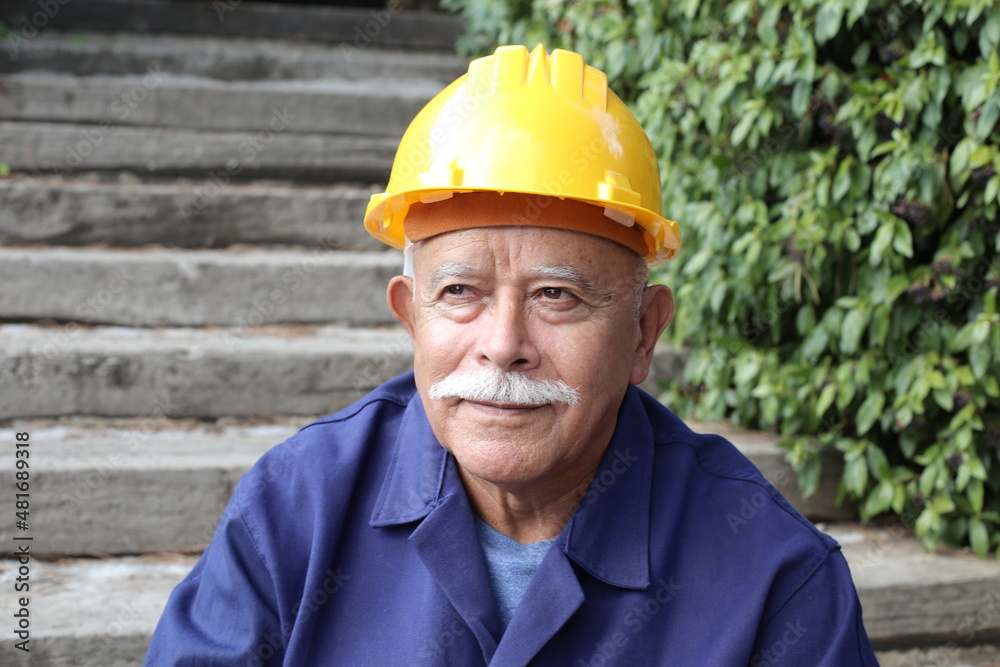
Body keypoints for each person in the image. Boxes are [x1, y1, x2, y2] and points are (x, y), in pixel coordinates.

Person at [145, 44, 878, 665]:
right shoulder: (294, 511)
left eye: (557, 296)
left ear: (643, 333)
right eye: (460, 290)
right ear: (410, 316)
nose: (502, 345)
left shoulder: (773, 577)